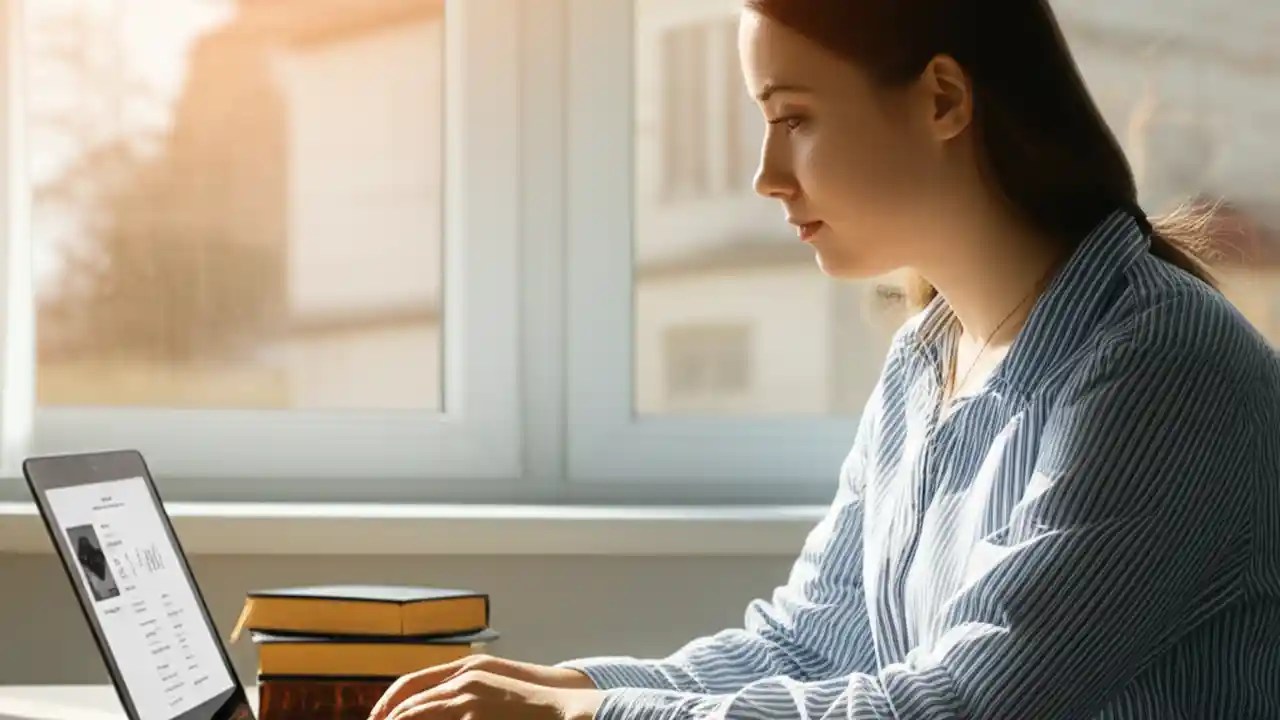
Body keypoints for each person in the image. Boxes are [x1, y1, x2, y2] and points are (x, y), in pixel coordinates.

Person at [367, 0, 1280, 718]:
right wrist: (570, 684)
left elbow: (965, 704)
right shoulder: (927, 361)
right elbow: (815, 645)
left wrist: (586, 717)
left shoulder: (1163, 365)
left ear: (942, 100)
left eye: (793, 116)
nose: (767, 172)